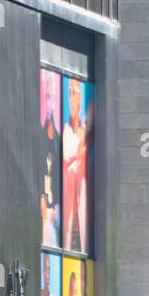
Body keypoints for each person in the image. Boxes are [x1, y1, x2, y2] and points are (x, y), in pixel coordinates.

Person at [63, 80, 90, 252]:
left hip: (83, 226)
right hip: (68, 221)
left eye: (76, 92)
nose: (73, 97)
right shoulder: (66, 131)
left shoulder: (85, 132)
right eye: (70, 92)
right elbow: (67, 156)